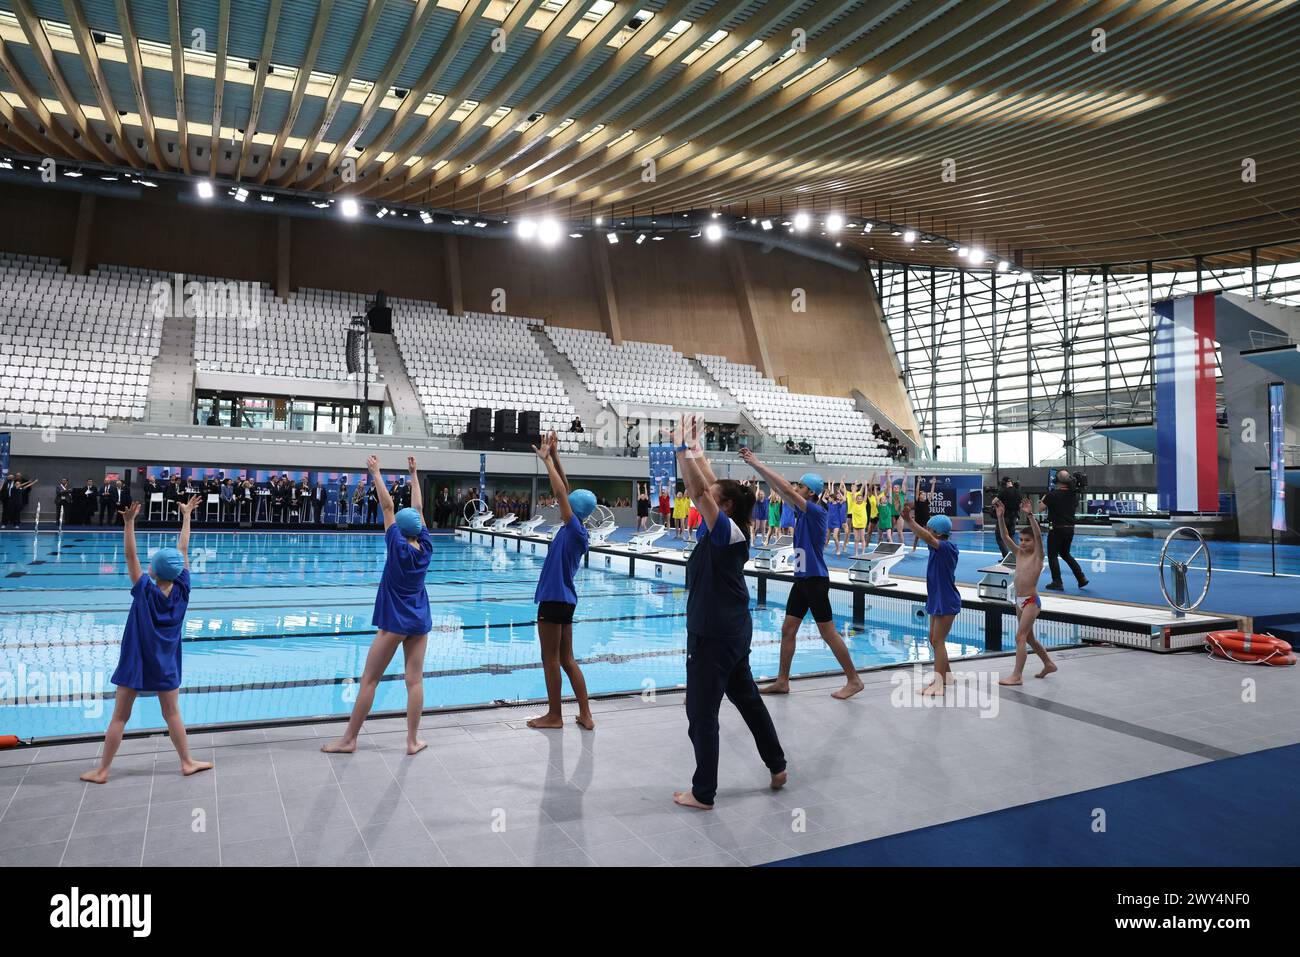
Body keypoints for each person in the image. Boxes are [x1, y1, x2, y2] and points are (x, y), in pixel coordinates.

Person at [672, 416, 786, 810]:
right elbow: (708, 484)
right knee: (748, 699)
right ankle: (777, 765)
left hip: (713, 635)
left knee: (701, 714)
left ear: (725, 506)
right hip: (734, 632)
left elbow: (700, 490)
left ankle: (703, 793)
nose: (703, 498)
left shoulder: (724, 532)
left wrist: (681, 450)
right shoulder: (731, 528)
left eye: (713, 498)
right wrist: (695, 449)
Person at [80, 495, 212, 784]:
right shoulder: (182, 591)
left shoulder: (144, 591)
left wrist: (128, 524)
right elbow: (183, 549)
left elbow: (130, 557)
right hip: (165, 665)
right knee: (172, 713)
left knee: (119, 717)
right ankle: (187, 761)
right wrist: (187, 515)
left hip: (135, 663)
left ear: (153, 570)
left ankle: (102, 771)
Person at [323, 455, 431, 755]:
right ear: (419, 530)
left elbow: (386, 507)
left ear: (399, 527)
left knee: (369, 680)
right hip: (420, 620)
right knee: (414, 681)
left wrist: (376, 472)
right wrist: (414, 474)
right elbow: (418, 509)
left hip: (394, 622)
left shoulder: (395, 545)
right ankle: (412, 740)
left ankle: (349, 739)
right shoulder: (426, 549)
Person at [739, 447, 864, 700]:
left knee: (827, 632)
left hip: (815, 580)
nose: (796, 488)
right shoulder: (802, 511)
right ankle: (783, 681)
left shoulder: (816, 512)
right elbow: (783, 489)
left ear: (810, 492)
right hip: (802, 579)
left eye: (801, 486)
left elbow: (784, 488)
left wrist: (757, 463)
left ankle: (854, 679)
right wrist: (757, 469)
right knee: (788, 629)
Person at [527, 431, 595, 731]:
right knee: (567, 659)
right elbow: (564, 491)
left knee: (551, 659)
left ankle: (555, 715)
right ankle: (586, 714)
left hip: (554, 599)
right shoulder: (577, 529)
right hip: (565, 600)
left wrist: (545, 462)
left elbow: (559, 492)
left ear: (571, 508)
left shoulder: (573, 529)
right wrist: (555, 456)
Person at [994, 497, 1057, 685]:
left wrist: (1029, 514)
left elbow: (1038, 536)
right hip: (1019, 600)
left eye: (1026, 540)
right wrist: (1000, 517)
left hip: (1031, 601)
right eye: (1021, 539)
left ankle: (1017, 675)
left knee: (1019, 636)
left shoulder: (1038, 556)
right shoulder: (1019, 554)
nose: (1022, 543)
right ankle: (1048, 663)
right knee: (1029, 638)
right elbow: (1005, 537)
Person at [903, 504, 961, 696]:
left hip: (946, 600)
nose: (926, 532)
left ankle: (938, 684)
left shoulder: (946, 547)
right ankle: (947, 676)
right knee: (934, 639)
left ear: (936, 533)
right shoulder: (937, 547)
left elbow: (927, 537)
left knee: (938, 641)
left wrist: (909, 521)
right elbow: (927, 537)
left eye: (928, 529)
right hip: (937, 598)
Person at [1043, 470, 1089, 591]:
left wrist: (1044, 498)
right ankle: (1081, 577)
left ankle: (1057, 581)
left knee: (1052, 555)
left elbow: (1040, 507)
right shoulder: (1074, 494)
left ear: (1056, 481)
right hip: (1070, 528)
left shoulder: (1052, 495)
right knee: (1065, 554)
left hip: (1056, 527)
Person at [993, 477, 1022, 558]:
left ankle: (1006, 557)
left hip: (1004, 517)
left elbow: (993, 502)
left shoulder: (1003, 491)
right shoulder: (1018, 492)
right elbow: (1020, 505)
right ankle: (1016, 556)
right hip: (1014, 517)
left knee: (1000, 537)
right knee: (1011, 537)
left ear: (1004, 483)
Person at [911, 476, 937, 553]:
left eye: (924, 495)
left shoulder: (927, 502)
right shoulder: (917, 502)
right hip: (918, 520)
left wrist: (933, 484)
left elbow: (932, 492)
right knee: (917, 536)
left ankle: (931, 548)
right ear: (919, 496)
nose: (924, 496)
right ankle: (914, 548)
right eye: (922, 494)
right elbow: (916, 491)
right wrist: (918, 481)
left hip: (926, 520)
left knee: (929, 535)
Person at [848, 481, 868, 556]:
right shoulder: (853, 504)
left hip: (862, 523)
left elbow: (865, 494)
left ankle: (863, 552)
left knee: (862, 538)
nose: (859, 499)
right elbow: (853, 494)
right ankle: (856, 552)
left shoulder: (864, 504)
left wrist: (865, 486)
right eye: (858, 499)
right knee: (856, 539)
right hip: (856, 523)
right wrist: (854, 485)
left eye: (860, 499)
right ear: (856, 499)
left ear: (862, 500)